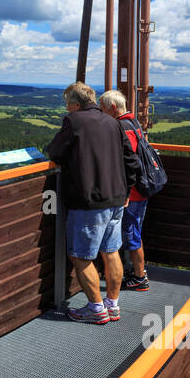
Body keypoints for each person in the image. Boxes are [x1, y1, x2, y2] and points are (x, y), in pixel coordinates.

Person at [43, 82, 130, 323]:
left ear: (76, 104)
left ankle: (96, 309)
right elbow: (126, 157)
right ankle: (112, 305)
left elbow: (55, 152)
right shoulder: (113, 122)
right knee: (111, 252)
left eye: (67, 103)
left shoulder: (74, 121)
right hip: (116, 197)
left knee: (81, 256)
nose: (67, 108)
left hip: (90, 200)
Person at [104, 89, 156, 292]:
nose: (101, 112)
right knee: (134, 231)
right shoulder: (133, 122)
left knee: (132, 234)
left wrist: (125, 191)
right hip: (139, 190)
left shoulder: (122, 126)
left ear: (113, 108)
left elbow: (130, 161)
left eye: (103, 108)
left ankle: (139, 277)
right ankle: (136, 272)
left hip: (132, 193)